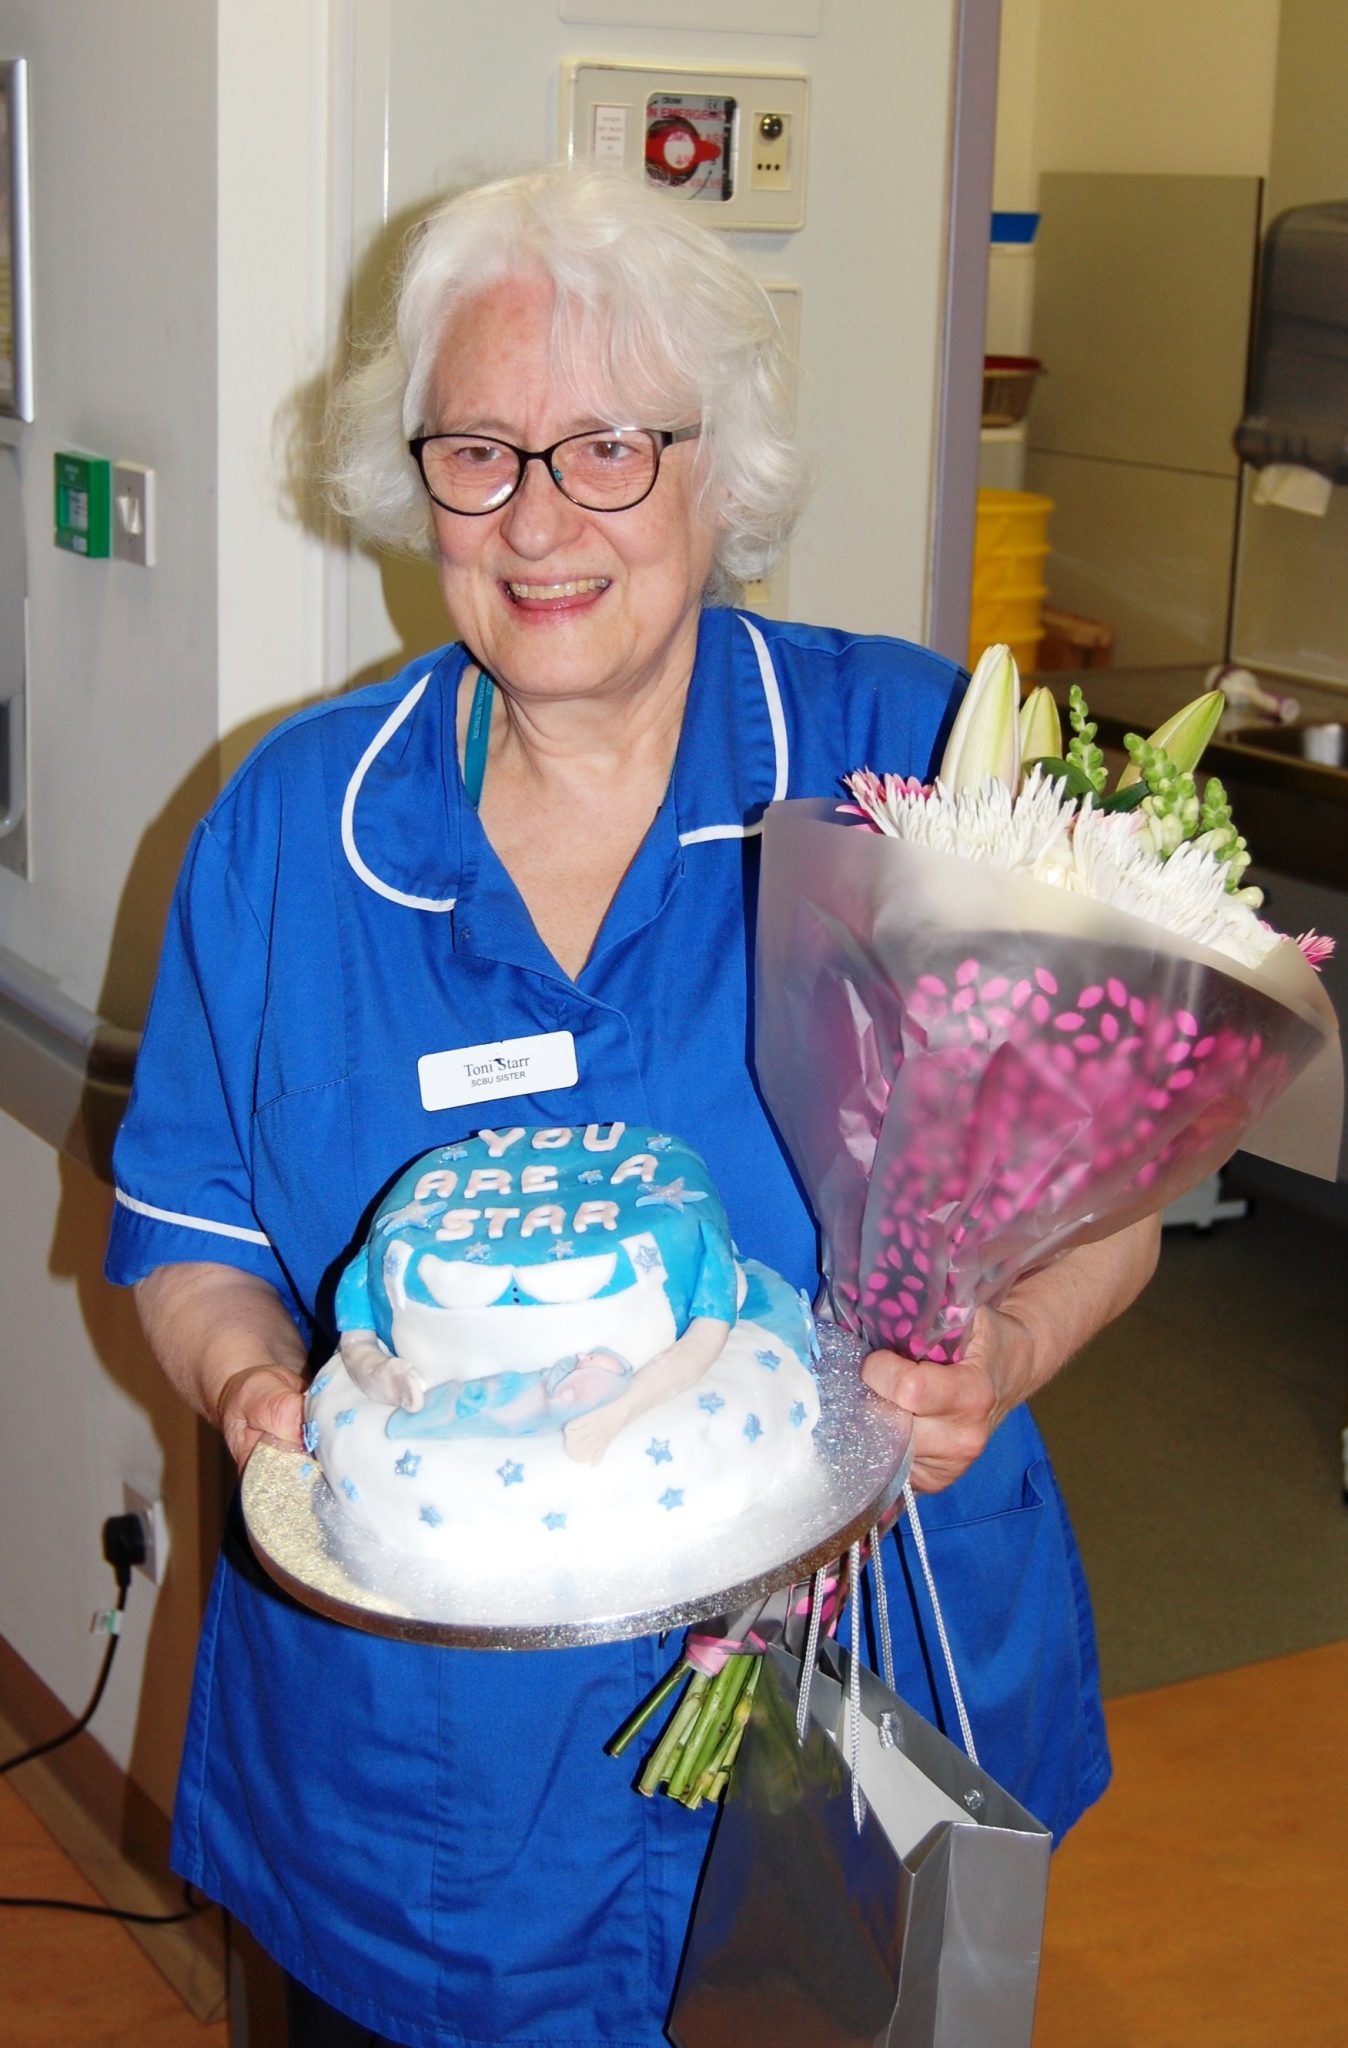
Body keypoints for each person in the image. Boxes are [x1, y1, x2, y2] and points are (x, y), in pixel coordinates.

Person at [106, 166, 1159, 2048]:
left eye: (609, 446)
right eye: (480, 452)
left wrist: (1003, 1341)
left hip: (853, 1722)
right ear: (411, 477)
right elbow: (187, 1236)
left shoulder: (918, 769)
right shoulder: (287, 831)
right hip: (419, 1793)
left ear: (718, 467)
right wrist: (259, 1394)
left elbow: (1111, 1198)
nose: (539, 519)